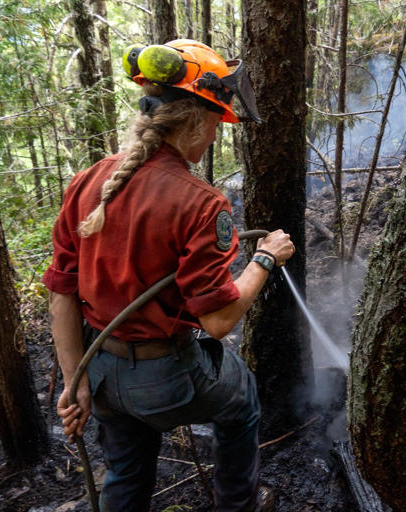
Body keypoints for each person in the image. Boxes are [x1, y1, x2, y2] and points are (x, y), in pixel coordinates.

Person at [43, 39, 292, 512]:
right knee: (242, 403)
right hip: (163, 378)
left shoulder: (87, 181)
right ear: (197, 119)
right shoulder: (200, 202)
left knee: (126, 469)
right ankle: (238, 505)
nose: (216, 136)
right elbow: (218, 321)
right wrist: (264, 259)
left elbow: (61, 294)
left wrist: (76, 384)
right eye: (217, 122)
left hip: (98, 372)